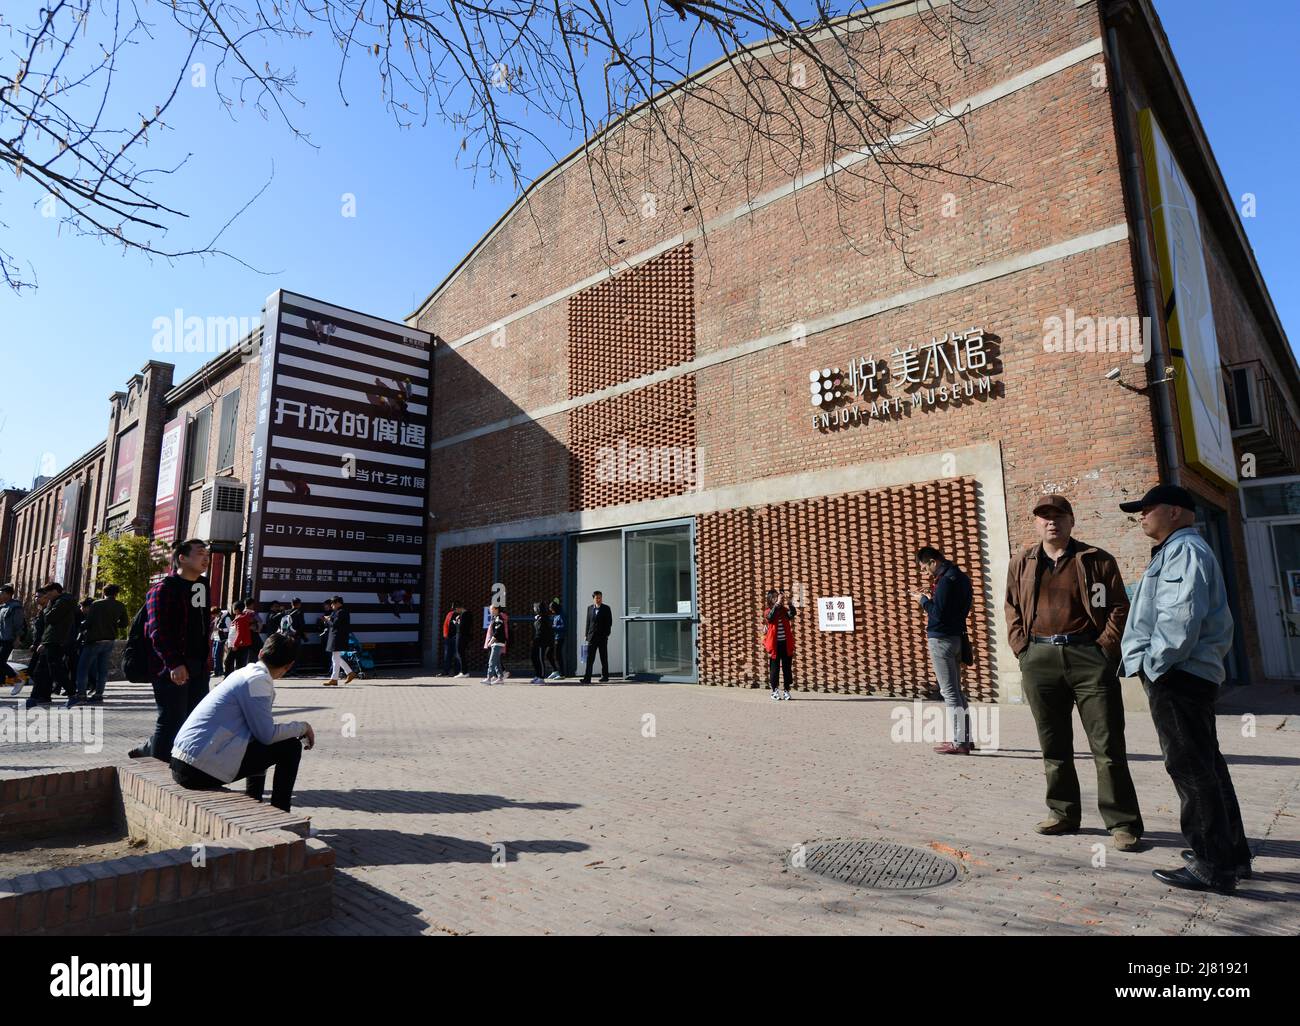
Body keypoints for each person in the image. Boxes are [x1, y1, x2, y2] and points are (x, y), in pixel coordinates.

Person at [1119, 485, 1248, 894]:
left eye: (1146, 508)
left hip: (1178, 676)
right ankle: (1232, 856)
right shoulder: (1179, 550)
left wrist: (1154, 666)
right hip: (1187, 674)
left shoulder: (1183, 552)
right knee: (1207, 765)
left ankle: (1212, 866)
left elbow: (1179, 620)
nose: (1140, 516)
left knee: (1190, 769)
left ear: (1174, 511)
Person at [1005, 495, 1143, 850]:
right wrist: (1023, 649)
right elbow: (1011, 607)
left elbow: (1117, 606)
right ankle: (1063, 813)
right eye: (1044, 517)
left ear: (1071, 521)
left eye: (1059, 516)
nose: (1051, 522)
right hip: (1039, 657)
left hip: (1088, 657)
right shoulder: (1022, 562)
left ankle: (1122, 822)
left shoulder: (1096, 560)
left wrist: (1104, 649)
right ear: (1036, 523)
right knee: (1053, 744)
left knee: (1108, 743)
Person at [171, 633, 316, 813]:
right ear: (289, 666)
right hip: (197, 768)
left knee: (262, 744)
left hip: (184, 761)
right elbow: (267, 735)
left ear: (261, 652)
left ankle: (254, 802)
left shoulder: (244, 672)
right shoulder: (259, 681)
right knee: (290, 748)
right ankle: (281, 815)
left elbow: (259, 735)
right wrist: (303, 727)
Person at [128, 539, 212, 762]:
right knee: (171, 719)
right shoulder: (163, 590)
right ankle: (158, 771)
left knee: (195, 718)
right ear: (182, 558)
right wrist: (174, 663)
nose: (206, 558)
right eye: (200, 553)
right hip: (170, 666)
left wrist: (205, 661)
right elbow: (158, 631)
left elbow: (202, 626)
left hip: (198, 665)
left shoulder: (201, 586)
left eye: (207, 554)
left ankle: (178, 760)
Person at [912, 547, 974, 755]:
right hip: (957, 636)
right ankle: (965, 738)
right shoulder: (961, 577)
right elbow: (957, 607)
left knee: (949, 692)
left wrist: (922, 600)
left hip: (941, 639)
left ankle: (960, 743)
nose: (925, 572)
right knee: (956, 691)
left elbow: (937, 614)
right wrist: (933, 597)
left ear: (933, 561)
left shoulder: (946, 580)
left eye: (924, 567)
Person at [70, 584, 129, 707]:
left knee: (83, 668)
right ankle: (98, 694)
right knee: (102, 670)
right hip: (109, 640)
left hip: (94, 640)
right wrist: (112, 625)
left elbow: (89, 622)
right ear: (116, 593)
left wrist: (80, 626)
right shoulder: (120, 605)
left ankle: (81, 695)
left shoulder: (96, 604)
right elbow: (124, 623)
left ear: (104, 592)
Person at [26, 583, 77, 708]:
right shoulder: (57, 601)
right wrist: (43, 642)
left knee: (56, 670)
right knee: (40, 671)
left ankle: (72, 695)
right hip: (50, 640)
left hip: (56, 641)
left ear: (55, 591)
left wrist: (47, 607)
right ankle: (33, 699)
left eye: (48, 593)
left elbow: (50, 618)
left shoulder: (63, 602)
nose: (47, 596)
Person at [763, 588, 797, 701]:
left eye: (777, 597)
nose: (776, 599)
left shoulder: (783, 610)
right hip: (775, 645)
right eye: (774, 597)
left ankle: (787, 690)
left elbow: (792, 614)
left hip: (785, 644)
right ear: (770, 599)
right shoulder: (768, 611)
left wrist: (790, 602)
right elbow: (770, 618)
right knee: (775, 669)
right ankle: (774, 691)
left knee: (787, 669)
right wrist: (777, 604)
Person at [581, 590, 613, 685]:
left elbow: (609, 622)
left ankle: (605, 676)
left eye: (600, 597)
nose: (598, 599)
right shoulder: (590, 608)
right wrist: (586, 635)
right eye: (597, 598)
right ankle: (587, 678)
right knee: (590, 659)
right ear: (593, 599)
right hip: (592, 637)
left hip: (602, 637)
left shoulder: (606, 608)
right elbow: (588, 622)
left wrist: (607, 634)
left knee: (603, 657)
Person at [323, 596, 355, 687]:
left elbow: (335, 624)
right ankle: (350, 672)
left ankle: (334, 679)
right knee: (335, 657)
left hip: (338, 637)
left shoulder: (342, 612)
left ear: (338, 603)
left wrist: (328, 620)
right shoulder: (338, 612)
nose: (331, 605)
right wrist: (329, 619)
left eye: (333, 603)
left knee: (335, 658)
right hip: (336, 637)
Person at [1, 584, 27, 692]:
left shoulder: (15, 607)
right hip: (1, 638)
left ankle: (18, 678)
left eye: (1, 593)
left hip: (9, 639)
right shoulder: (3, 607)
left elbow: (18, 624)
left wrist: (18, 638)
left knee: (0, 661)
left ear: (7, 594)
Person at [226, 600, 256, 674]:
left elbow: (240, 633)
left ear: (236, 609)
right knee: (236, 663)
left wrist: (235, 645)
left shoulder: (241, 619)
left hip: (239, 645)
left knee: (229, 662)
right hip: (237, 644)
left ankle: (229, 679)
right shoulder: (239, 617)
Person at [483, 604, 508, 685]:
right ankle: (500, 678)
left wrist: (491, 641)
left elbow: (498, 632)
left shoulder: (499, 618)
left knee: (492, 661)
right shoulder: (495, 618)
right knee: (496, 661)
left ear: (496, 609)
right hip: (496, 642)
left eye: (491, 609)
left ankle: (489, 678)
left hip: (498, 642)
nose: (490, 611)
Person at [530, 601, 553, 685]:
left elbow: (543, 632)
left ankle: (541, 677)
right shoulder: (538, 618)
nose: (534, 609)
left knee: (540, 659)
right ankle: (537, 675)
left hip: (541, 643)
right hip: (536, 642)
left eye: (535, 607)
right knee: (534, 658)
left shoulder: (544, 618)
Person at [442, 602, 467, 677]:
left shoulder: (463, 615)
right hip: (448, 637)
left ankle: (457, 671)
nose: (454, 610)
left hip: (457, 637)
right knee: (447, 655)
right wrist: (445, 635)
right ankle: (446, 671)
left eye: (456, 608)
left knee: (457, 655)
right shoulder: (450, 614)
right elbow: (445, 624)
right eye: (454, 608)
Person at [545, 600, 566, 681]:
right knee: (548, 654)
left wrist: (553, 627)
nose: (551, 611)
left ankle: (562, 674)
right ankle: (555, 670)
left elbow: (564, 627)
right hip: (554, 638)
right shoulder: (556, 615)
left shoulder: (561, 615)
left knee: (558, 656)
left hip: (560, 638)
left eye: (552, 609)